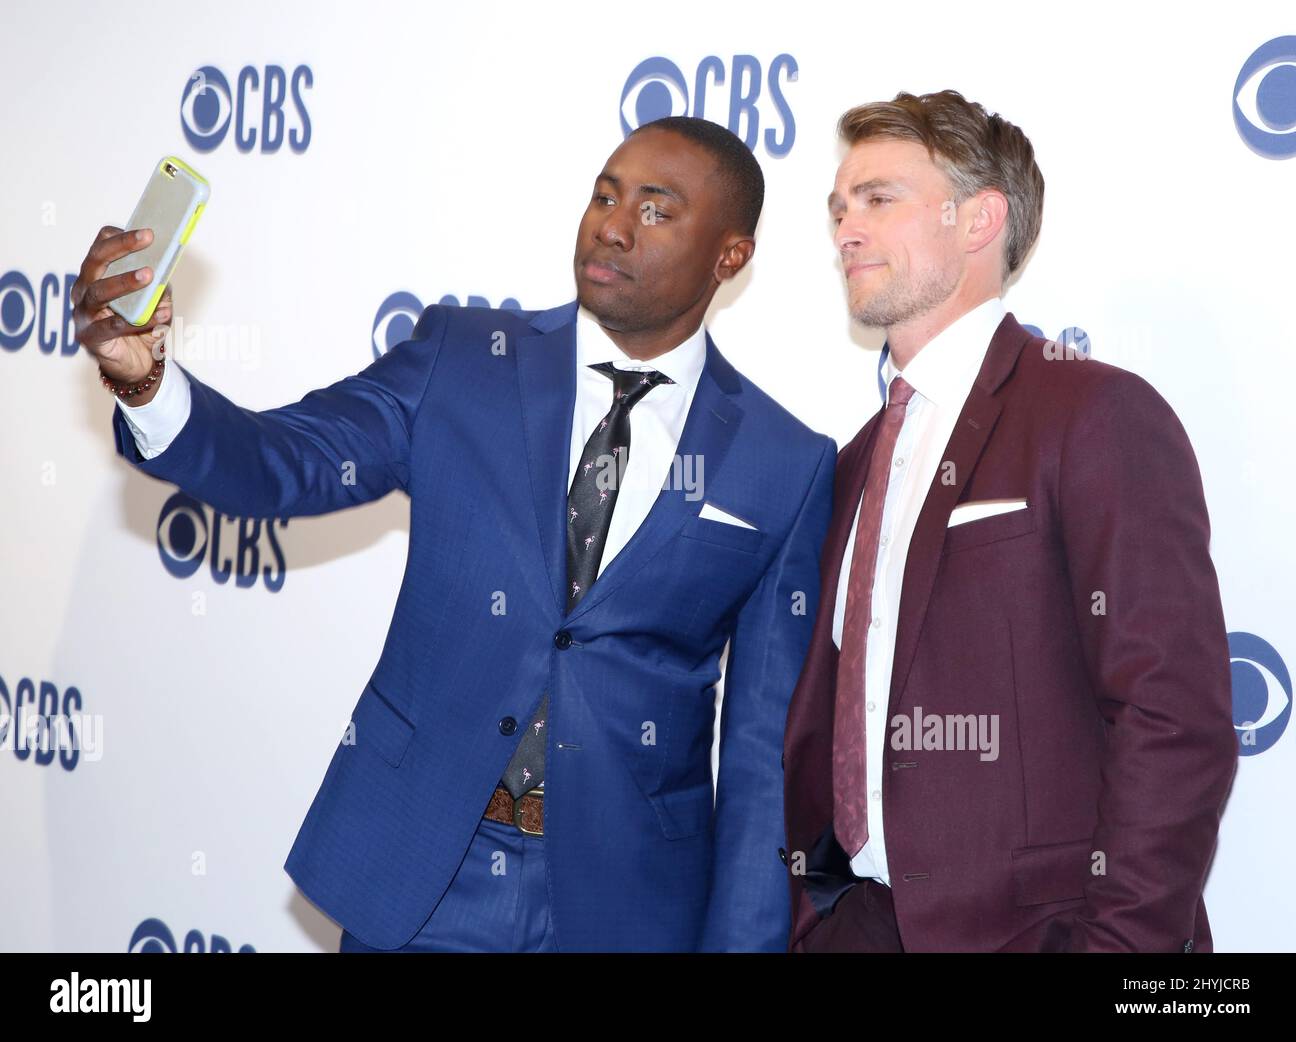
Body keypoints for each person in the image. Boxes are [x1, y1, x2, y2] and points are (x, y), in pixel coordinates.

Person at [75, 116, 835, 952]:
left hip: (630, 903)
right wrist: (146, 382)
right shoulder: (466, 360)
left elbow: (764, 754)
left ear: (731, 255)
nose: (613, 226)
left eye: (656, 210)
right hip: (429, 872)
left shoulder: (783, 462)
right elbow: (286, 461)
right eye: (604, 196)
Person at [782, 90, 1237, 952]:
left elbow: (1172, 716)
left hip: (1044, 932)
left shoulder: (1094, 412)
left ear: (980, 219)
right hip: (860, 924)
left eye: (878, 199)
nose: (846, 229)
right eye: (839, 208)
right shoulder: (852, 464)